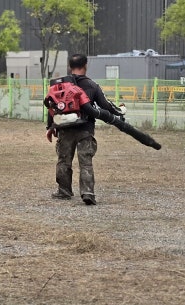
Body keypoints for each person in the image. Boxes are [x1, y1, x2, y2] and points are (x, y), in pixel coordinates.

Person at [44, 53, 125, 206]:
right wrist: (119, 112)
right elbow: (105, 106)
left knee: (63, 160)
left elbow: (51, 106)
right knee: (85, 162)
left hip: (64, 129)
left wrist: (50, 127)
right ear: (85, 65)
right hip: (85, 129)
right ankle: (87, 192)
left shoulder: (59, 86)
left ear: (69, 66)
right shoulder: (92, 85)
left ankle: (64, 191)